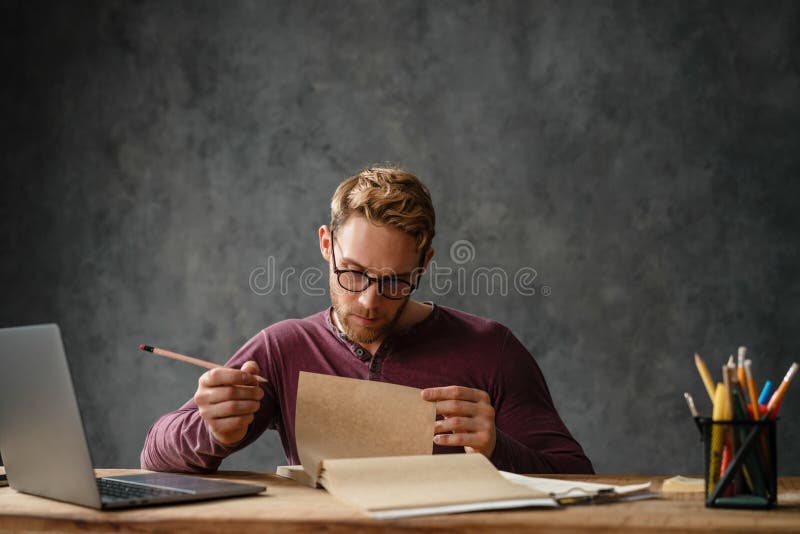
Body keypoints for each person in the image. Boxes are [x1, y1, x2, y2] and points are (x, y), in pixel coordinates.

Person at [140, 166, 593, 475]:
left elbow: (578, 477)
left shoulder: (490, 349)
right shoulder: (284, 349)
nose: (368, 302)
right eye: (353, 273)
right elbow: (154, 458)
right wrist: (210, 430)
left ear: (424, 264)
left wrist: (496, 448)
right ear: (326, 245)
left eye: (394, 281)